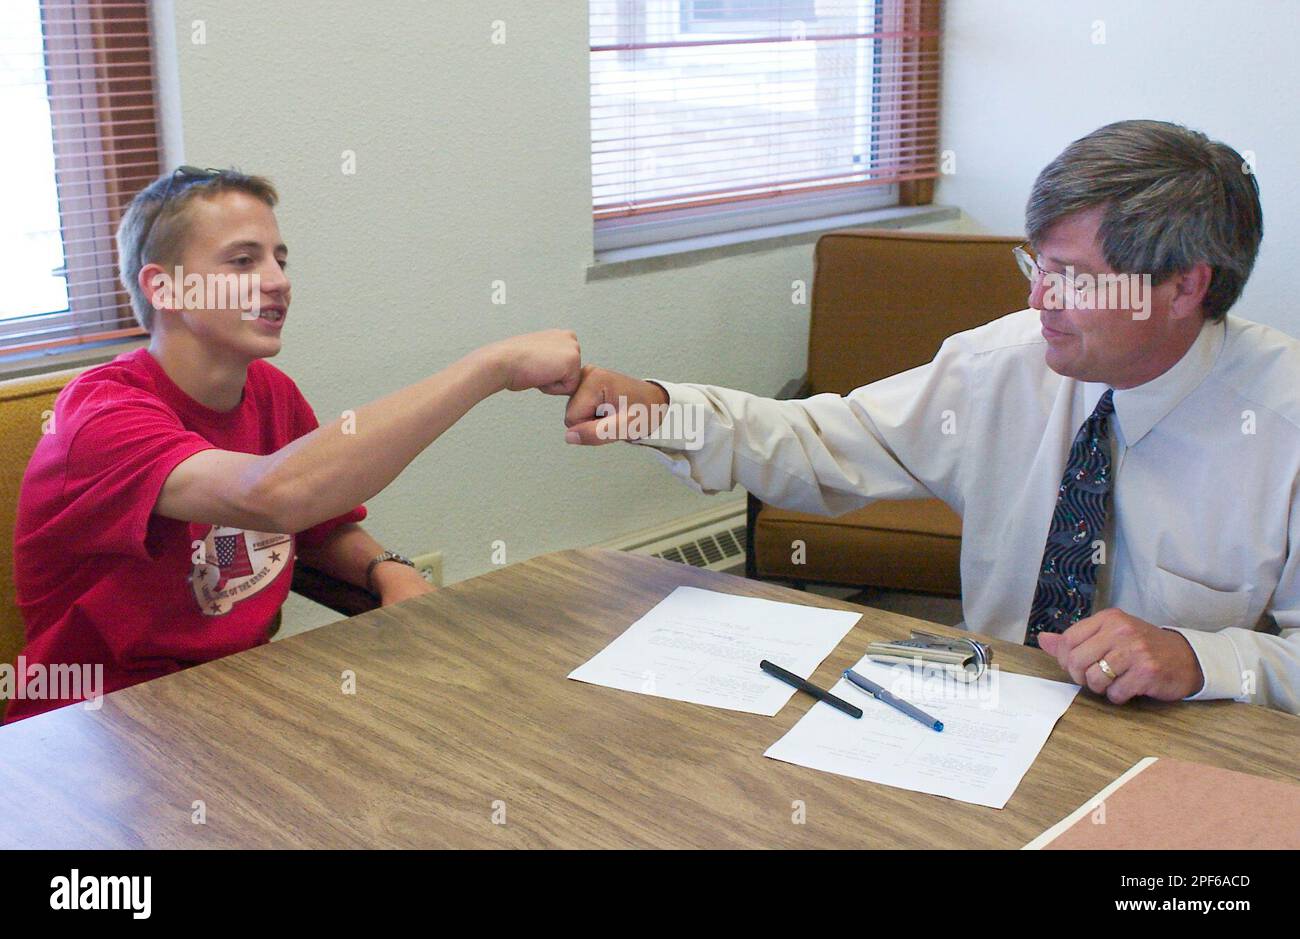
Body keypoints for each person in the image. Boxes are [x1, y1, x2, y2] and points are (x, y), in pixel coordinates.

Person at [564, 120, 1299, 714]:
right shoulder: (1002, 363)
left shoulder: (1282, 423)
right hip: (988, 709)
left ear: (1183, 288)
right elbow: (822, 443)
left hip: (1189, 748)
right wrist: (657, 411)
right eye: (1035, 265)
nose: (1039, 299)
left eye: (1072, 278)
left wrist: (1200, 656)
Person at [7, 167, 580, 722]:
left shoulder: (269, 392)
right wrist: (490, 367)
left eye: (279, 259)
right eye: (243, 260)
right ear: (165, 286)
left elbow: (318, 524)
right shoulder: (100, 417)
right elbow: (273, 496)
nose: (278, 280)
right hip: (92, 730)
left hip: (234, 700)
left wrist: (387, 568)